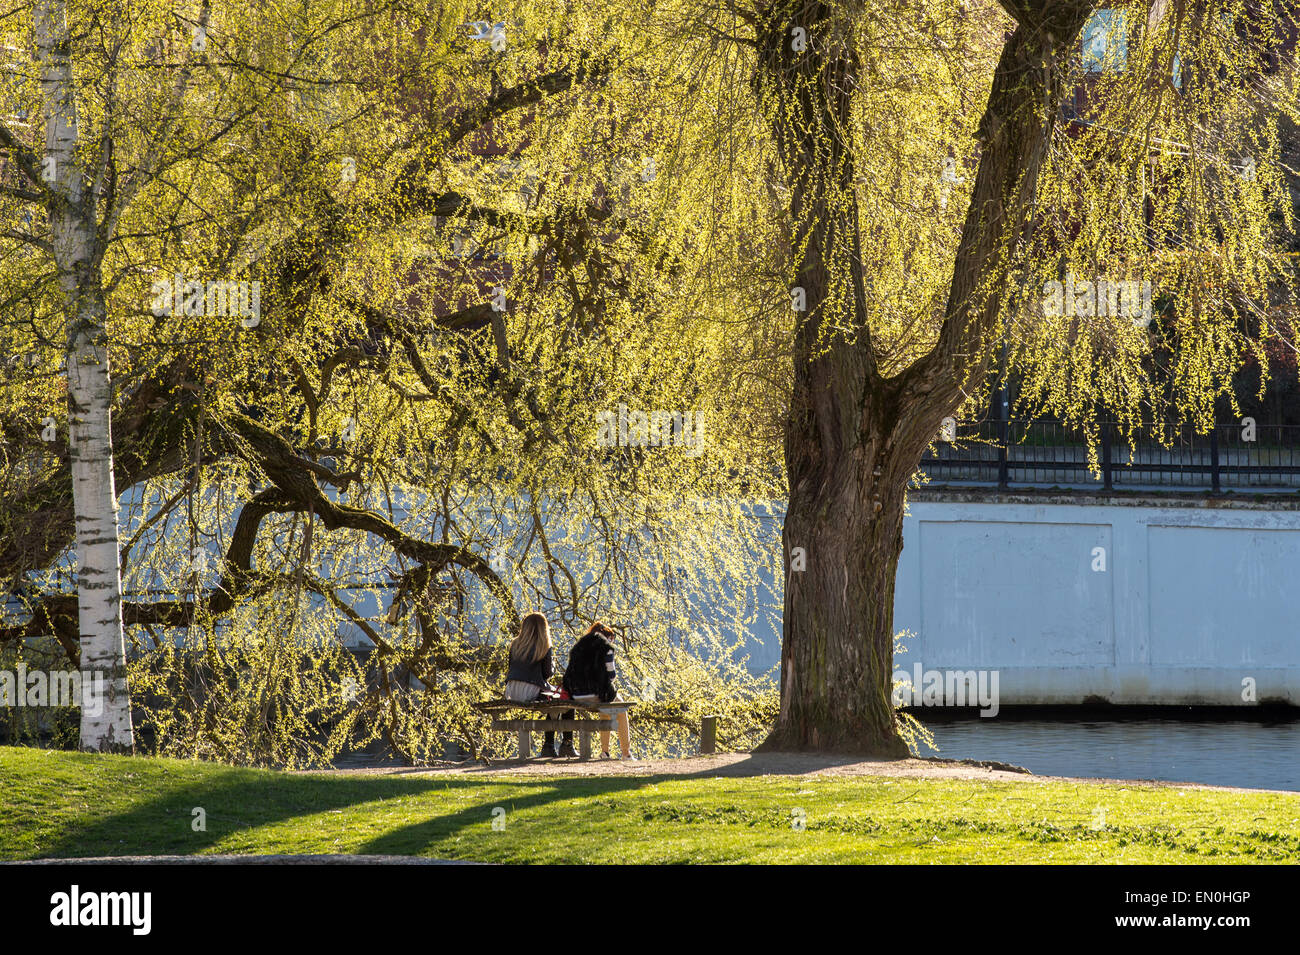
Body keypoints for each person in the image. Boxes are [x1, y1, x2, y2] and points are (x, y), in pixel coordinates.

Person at [505, 612, 576, 757]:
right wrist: (553, 666)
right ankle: (563, 744)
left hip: (511, 689)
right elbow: (547, 674)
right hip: (531, 688)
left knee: (553, 701)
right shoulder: (544, 645)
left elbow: (511, 666)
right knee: (566, 699)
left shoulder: (515, 644)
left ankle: (549, 746)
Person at [562, 621, 633, 759]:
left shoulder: (578, 648)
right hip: (595, 693)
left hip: (576, 695)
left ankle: (605, 752)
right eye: (612, 638)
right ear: (608, 636)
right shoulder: (606, 647)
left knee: (605, 708)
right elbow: (611, 676)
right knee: (621, 707)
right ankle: (626, 753)